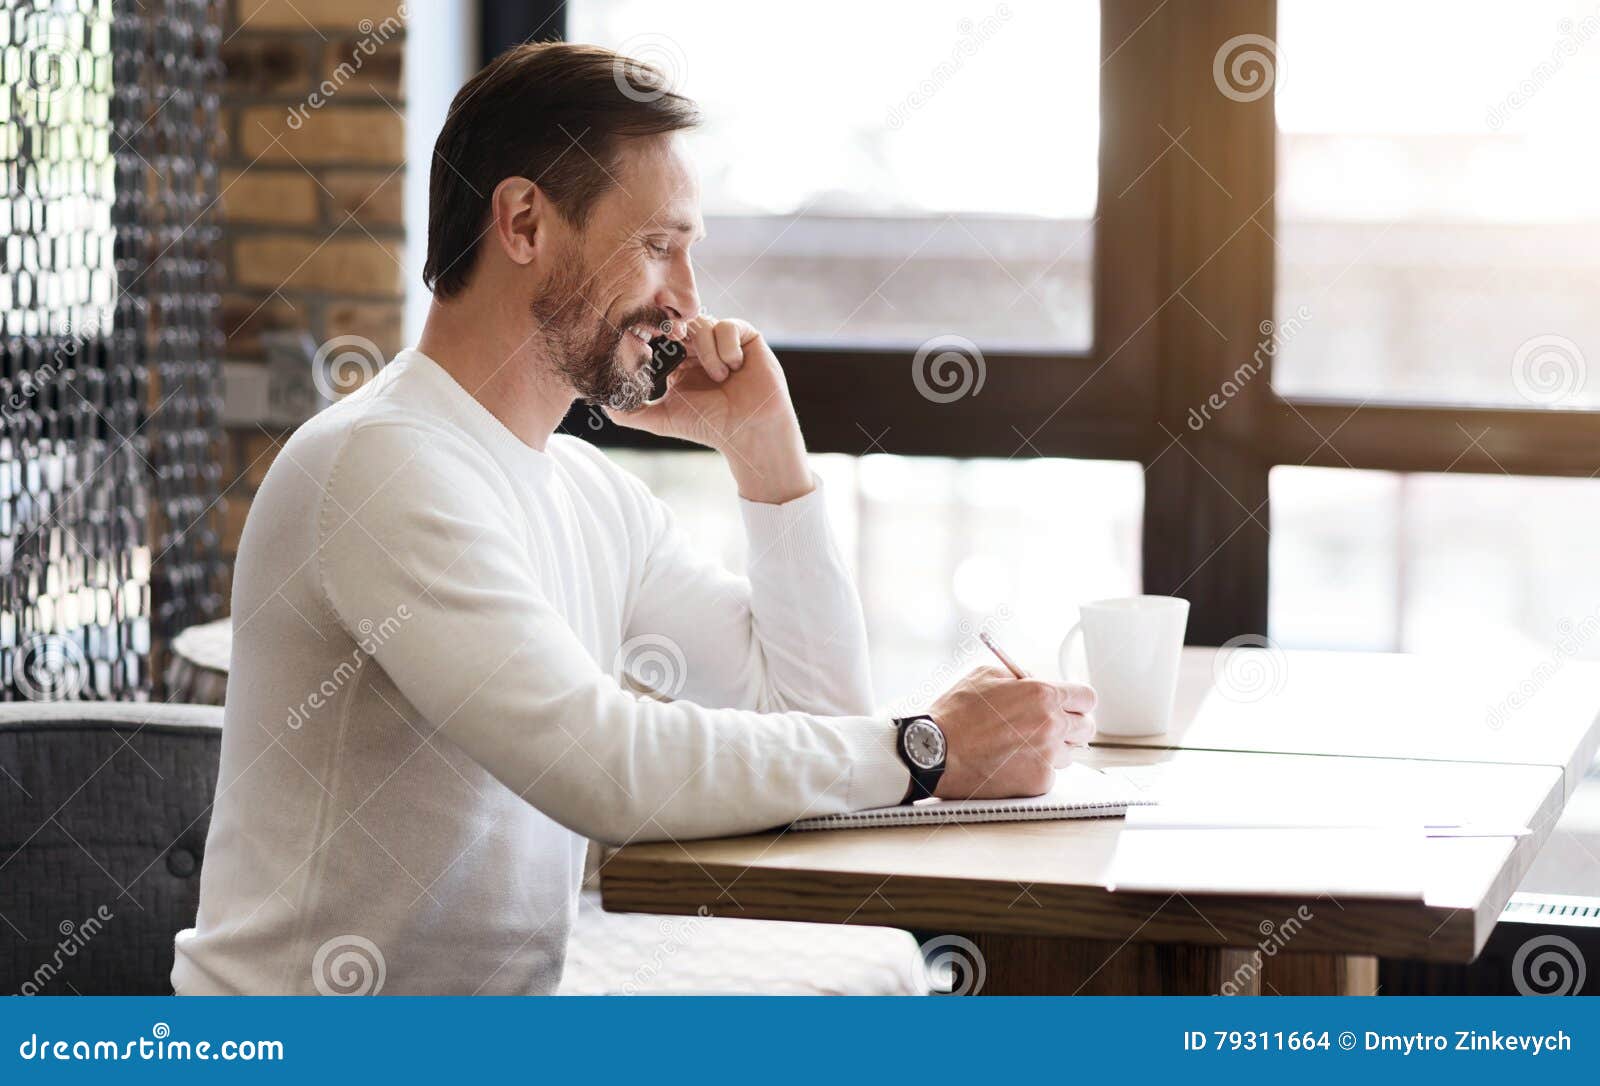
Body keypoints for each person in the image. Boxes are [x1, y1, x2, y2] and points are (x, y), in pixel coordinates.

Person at [173, 42, 1095, 996]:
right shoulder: (379, 463)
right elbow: (600, 766)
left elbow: (816, 715)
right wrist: (926, 748)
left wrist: (765, 456)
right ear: (524, 221)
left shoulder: (585, 490)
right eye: (659, 247)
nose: (689, 302)